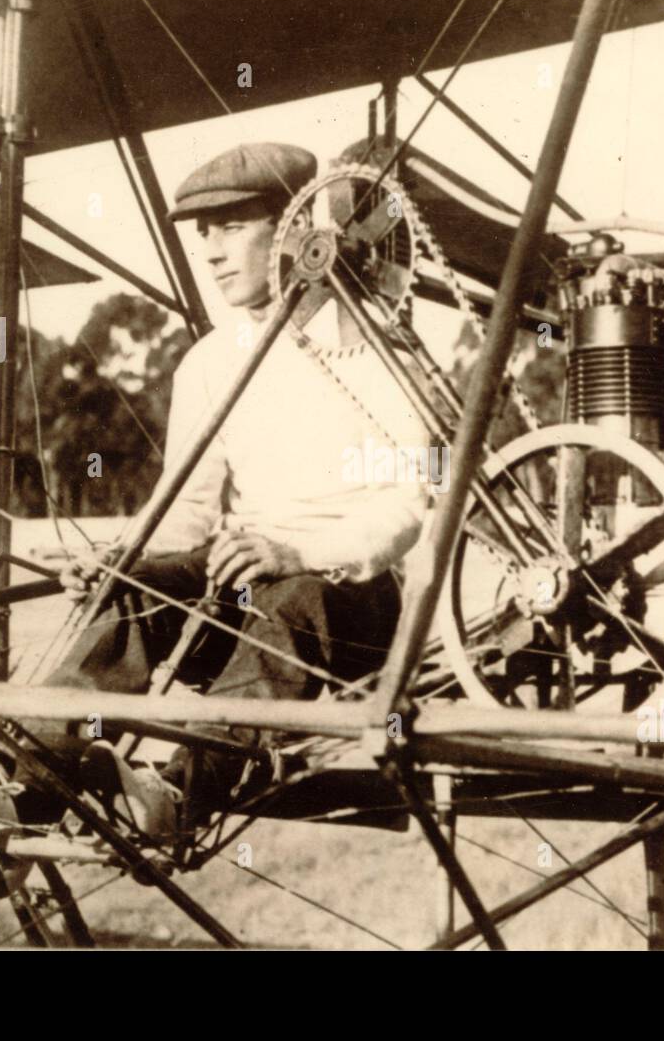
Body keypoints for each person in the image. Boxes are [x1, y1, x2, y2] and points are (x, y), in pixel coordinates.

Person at [52, 142, 430, 830]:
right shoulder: (207, 363)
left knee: (292, 597)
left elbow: (410, 504)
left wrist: (297, 552)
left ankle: (182, 795)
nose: (213, 252)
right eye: (204, 234)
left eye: (231, 227)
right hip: (242, 587)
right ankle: (33, 776)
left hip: (351, 598)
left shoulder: (379, 348)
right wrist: (120, 562)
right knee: (132, 596)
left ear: (296, 228)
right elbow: (187, 509)